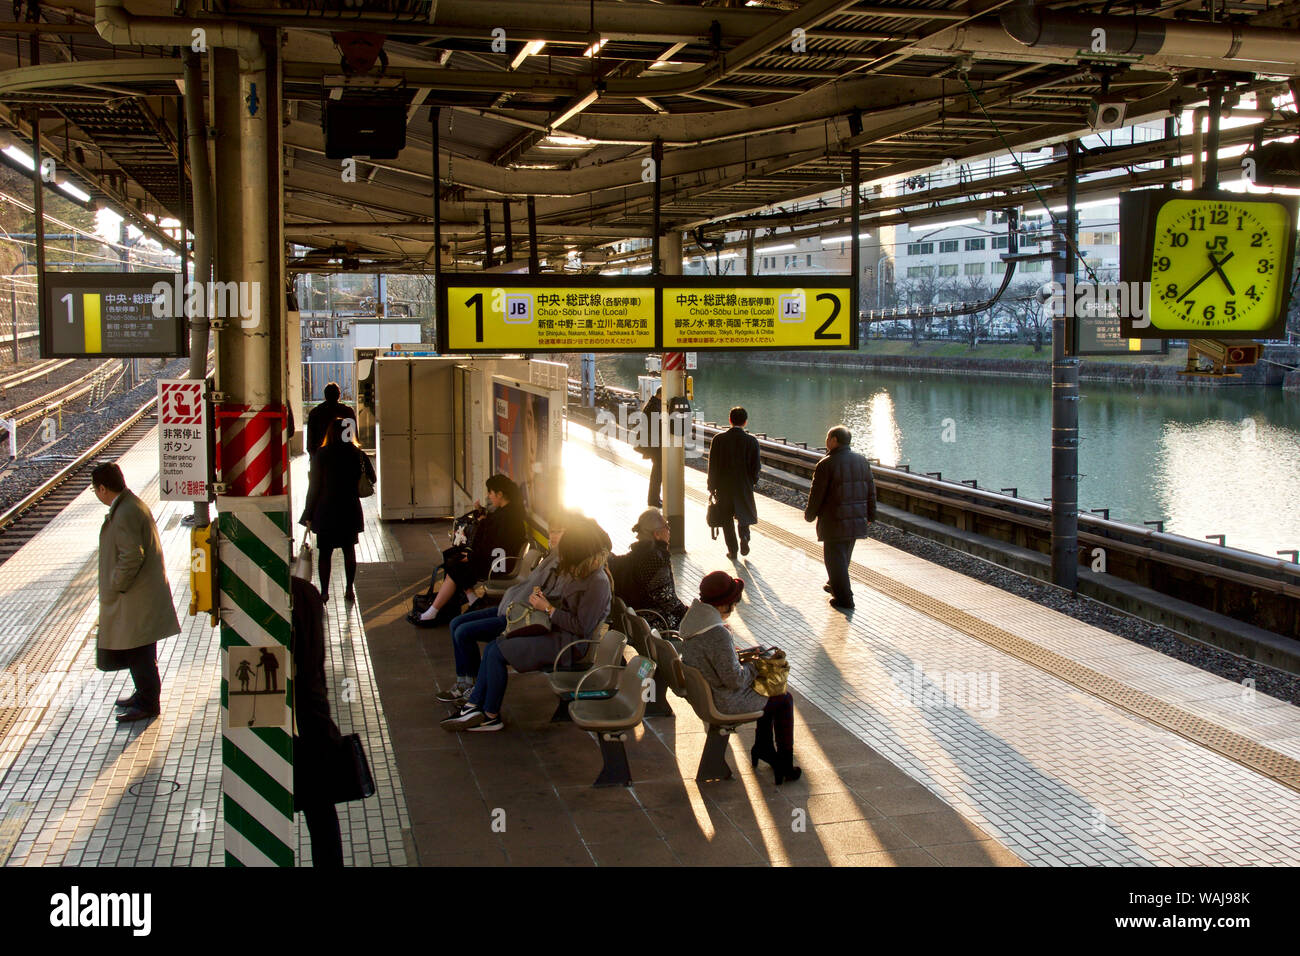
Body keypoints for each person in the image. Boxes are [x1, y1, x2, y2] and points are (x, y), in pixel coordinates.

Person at [442, 516, 612, 733]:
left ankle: (489, 714)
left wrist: (548, 609)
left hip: (569, 645)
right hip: (555, 632)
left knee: (496, 651)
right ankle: (475, 706)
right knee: (496, 645)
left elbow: (581, 627)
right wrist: (544, 603)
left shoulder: (597, 582)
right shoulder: (582, 571)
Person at [679, 571, 800, 784]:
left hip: (708, 694)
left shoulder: (694, 621)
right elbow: (734, 680)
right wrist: (755, 665)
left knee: (767, 692)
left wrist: (743, 657)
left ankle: (764, 748)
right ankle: (784, 762)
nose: (734, 608)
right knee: (783, 699)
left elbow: (718, 663)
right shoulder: (718, 633)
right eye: (733, 603)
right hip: (724, 700)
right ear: (724, 604)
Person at [436, 511, 569, 703]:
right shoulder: (551, 558)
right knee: (456, 623)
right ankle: (464, 681)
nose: (553, 537)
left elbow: (552, 598)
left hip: (520, 617)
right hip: (509, 607)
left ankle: (470, 686)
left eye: (559, 532)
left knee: (464, 632)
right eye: (552, 532)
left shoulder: (562, 564)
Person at [92, 462, 181, 724]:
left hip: (136, 596)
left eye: (95, 490)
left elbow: (132, 556)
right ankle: (142, 695)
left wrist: (115, 584)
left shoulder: (125, 513)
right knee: (139, 651)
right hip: (140, 595)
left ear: (102, 488)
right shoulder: (129, 506)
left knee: (140, 652)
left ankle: (147, 702)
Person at [409, 474, 528, 627]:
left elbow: (494, 543)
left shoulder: (507, 517)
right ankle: (471, 601)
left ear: (500, 494)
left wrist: (471, 556)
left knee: (455, 565)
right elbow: (493, 533)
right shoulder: (508, 512)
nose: (488, 496)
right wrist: (482, 514)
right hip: (496, 558)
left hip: (499, 563)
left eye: (490, 492)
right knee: (453, 558)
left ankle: (433, 612)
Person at [290, 574, 345, 868]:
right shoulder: (306, 593)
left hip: (293, 721)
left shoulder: (274, 602)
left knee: (315, 807)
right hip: (314, 716)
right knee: (321, 809)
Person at [300, 416, 376, 602]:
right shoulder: (357, 454)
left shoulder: (322, 455)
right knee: (349, 550)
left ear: (331, 433)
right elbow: (372, 478)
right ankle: (349, 589)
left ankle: (324, 592)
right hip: (349, 509)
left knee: (325, 553)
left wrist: (308, 514)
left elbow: (314, 487)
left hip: (326, 511)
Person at [804, 424, 877, 612]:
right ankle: (835, 585)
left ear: (834, 440)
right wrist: (870, 515)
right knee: (843, 558)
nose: (826, 441)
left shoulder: (826, 464)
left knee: (834, 559)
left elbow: (817, 493)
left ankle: (845, 599)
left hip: (833, 520)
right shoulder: (862, 461)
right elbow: (871, 490)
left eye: (828, 438)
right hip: (855, 520)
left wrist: (810, 514)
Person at [608, 507, 686, 631]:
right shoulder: (655, 559)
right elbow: (667, 600)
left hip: (637, 620)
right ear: (657, 534)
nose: (669, 529)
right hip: (655, 622)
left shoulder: (636, 554)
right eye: (666, 526)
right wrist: (688, 612)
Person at [707, 405, 761, 559]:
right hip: (743, 486)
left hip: (723, 487)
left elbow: (713, 466)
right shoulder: (752, 441)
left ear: (730, 420)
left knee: (726, 519)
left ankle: (733, 550)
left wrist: (711, 486)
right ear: (745, 422)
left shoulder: (718, 439)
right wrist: (752, 482)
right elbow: (756, 467)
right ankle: (744, 537)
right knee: (743, 515)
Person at [306, 382, 357, 457]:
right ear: (339, 395)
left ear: (325, 395)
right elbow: (354, 436)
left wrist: (314, 458)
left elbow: (310, 440)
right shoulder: (348, 412)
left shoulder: (315, 413)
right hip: (344, 456)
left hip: (322, 457)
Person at [637, 387, 663, 507]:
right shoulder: (654, 407)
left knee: (657, 474)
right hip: (654, 446)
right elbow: (657, 427)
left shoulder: (652, 404)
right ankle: (653, 500)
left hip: (653, 444)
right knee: (657, 474)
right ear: (661, 395)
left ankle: (655, 498)